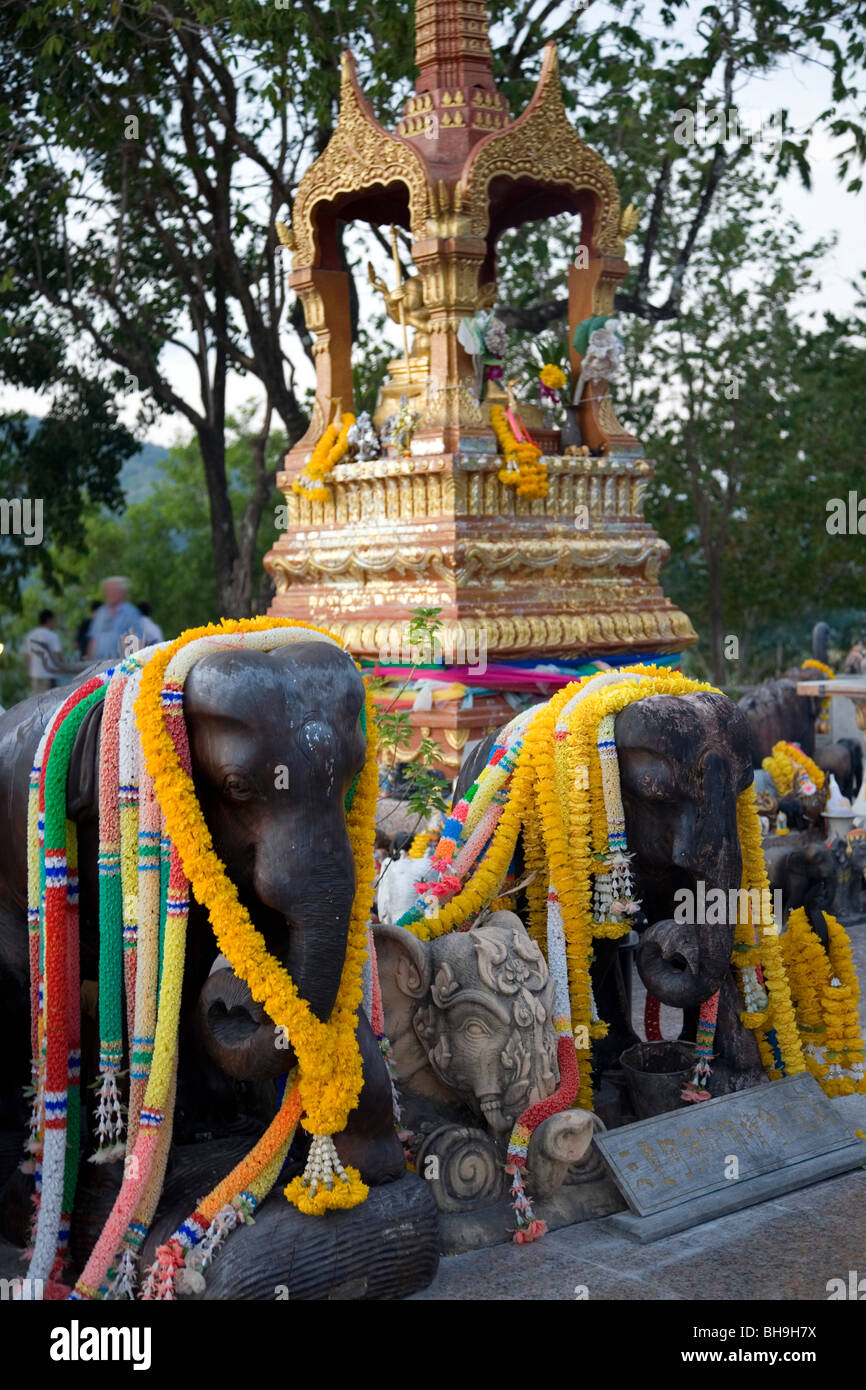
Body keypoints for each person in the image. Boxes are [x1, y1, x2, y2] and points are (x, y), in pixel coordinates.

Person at [87, 577, 147, 661]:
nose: (110, 593)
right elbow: (93, 640)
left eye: (114, 590)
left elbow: (137, 640)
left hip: (120, 664)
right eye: (108, 590)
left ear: (123, 592)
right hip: (97, 664)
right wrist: (89, 662)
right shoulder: (101, 612)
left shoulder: (131, 612)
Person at [24, 609, 63, 693]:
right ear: (49, 620)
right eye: (54, 621)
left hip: (35, 675)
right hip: (49, 675)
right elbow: (59, 657)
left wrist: (29, 672)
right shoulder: (52, 635)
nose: (54, 623)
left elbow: (27, 656)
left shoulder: (31, 635)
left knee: (38, 701)